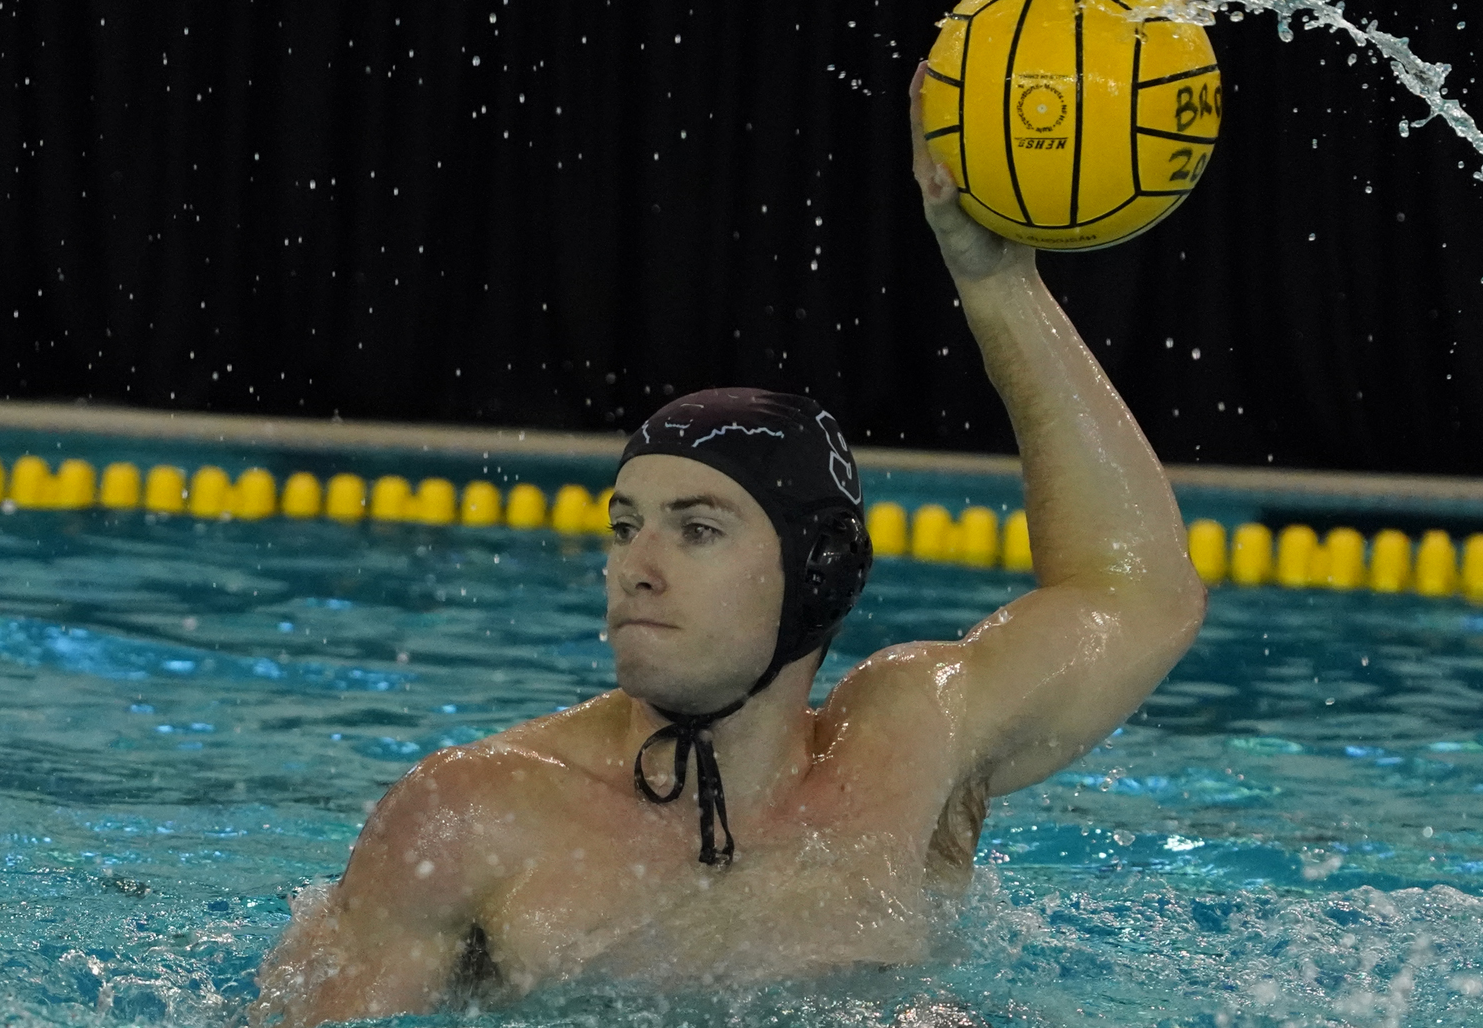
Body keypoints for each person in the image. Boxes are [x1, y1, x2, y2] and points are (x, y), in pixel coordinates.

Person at [247, 61, 1206, 1026]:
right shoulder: (475, 816)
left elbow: (1139, 594)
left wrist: (999, 285)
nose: (636, 567)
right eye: (625, 528)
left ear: (818, 574)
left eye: (698, 529)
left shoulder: (916, 744)